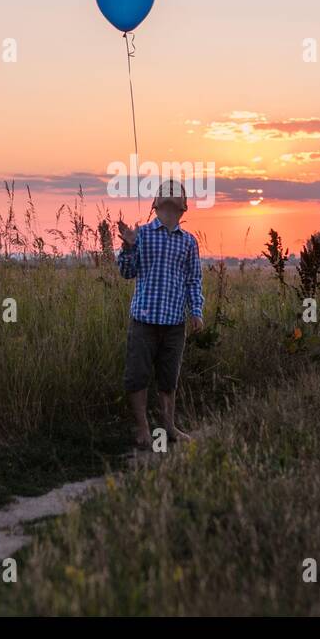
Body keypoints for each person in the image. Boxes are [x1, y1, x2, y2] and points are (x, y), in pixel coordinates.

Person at [117, 179, 204, 449]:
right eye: (164, 204)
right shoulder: (141, 235)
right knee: (138, 375)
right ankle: (143, 428)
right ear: (155, 207)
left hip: (175, 323)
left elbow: (193, 280)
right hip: (144, 320)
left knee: (169, 378)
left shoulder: (189, 242)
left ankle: (169, 427)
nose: (169, 210)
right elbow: (126, 272)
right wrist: (129, 247)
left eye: (174, 206)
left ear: (182, 210)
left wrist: (196, 311)